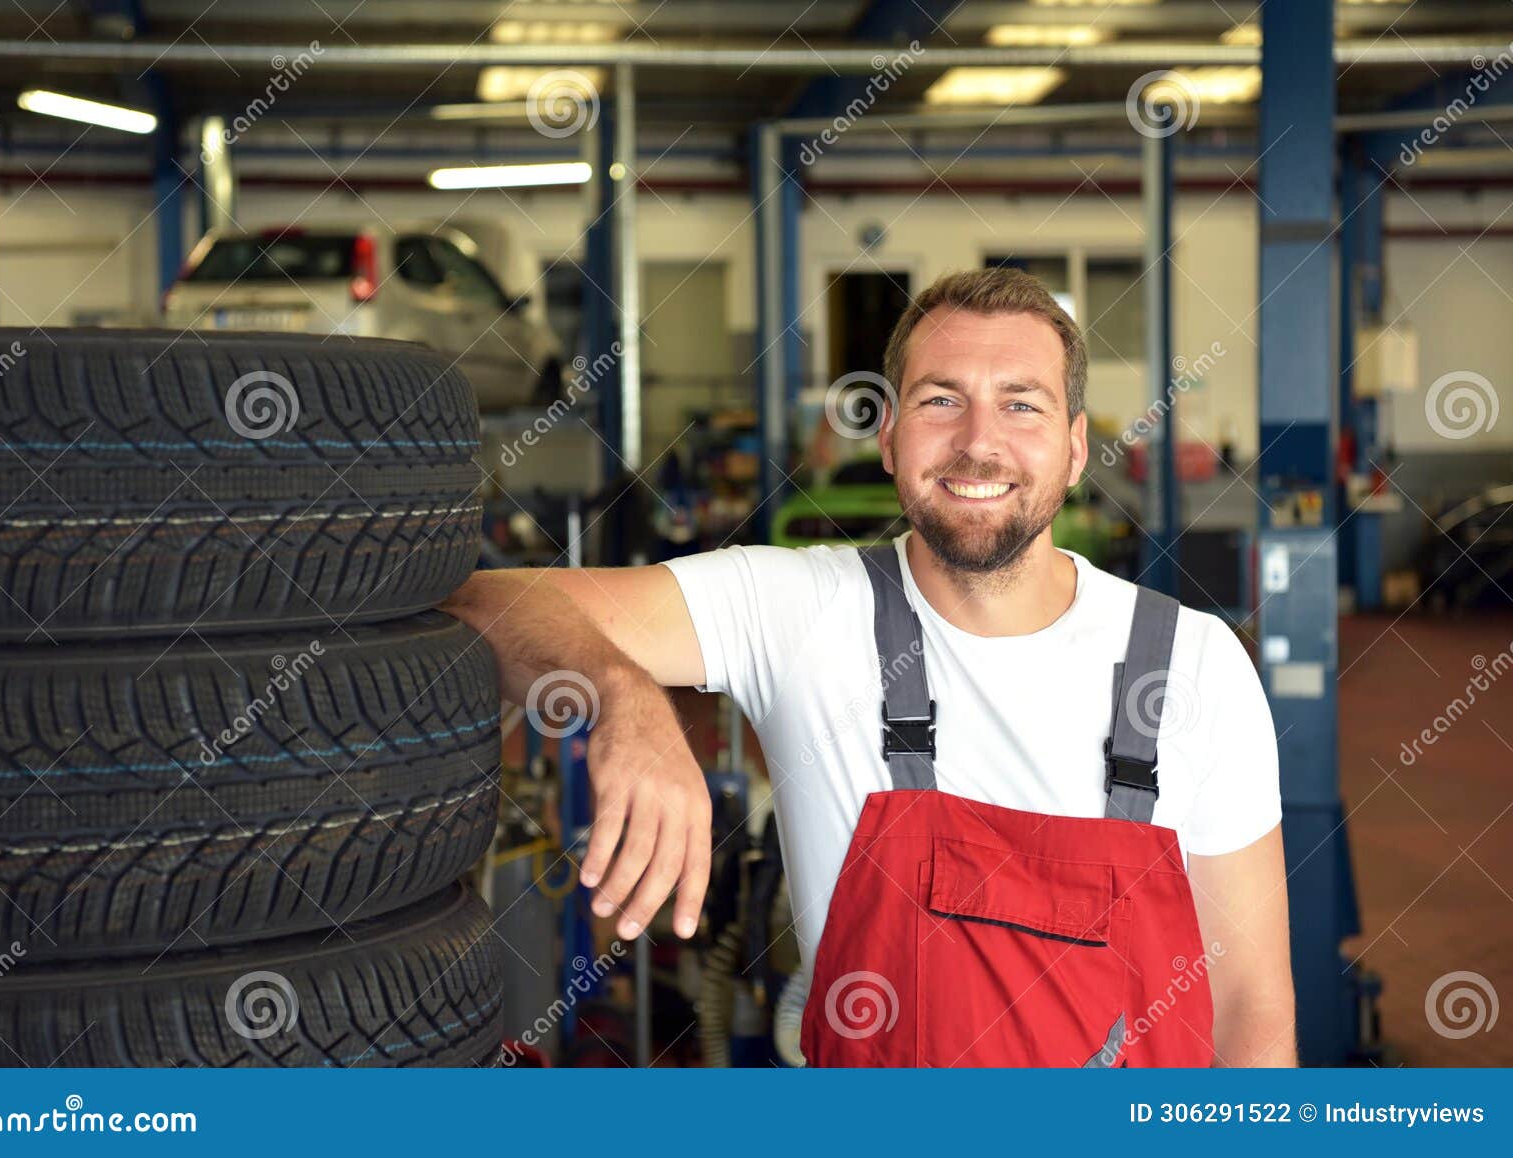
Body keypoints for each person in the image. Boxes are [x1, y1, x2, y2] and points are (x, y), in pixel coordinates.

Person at [445, 267, 1296, 1067]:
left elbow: (1252, 1005)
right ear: (888, 437)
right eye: (940, 401)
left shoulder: (1193, 662)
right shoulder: (800, 611)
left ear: (1076, 450)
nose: (978, 443)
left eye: (1021, 406)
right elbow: (485, 602)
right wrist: (625, 697)